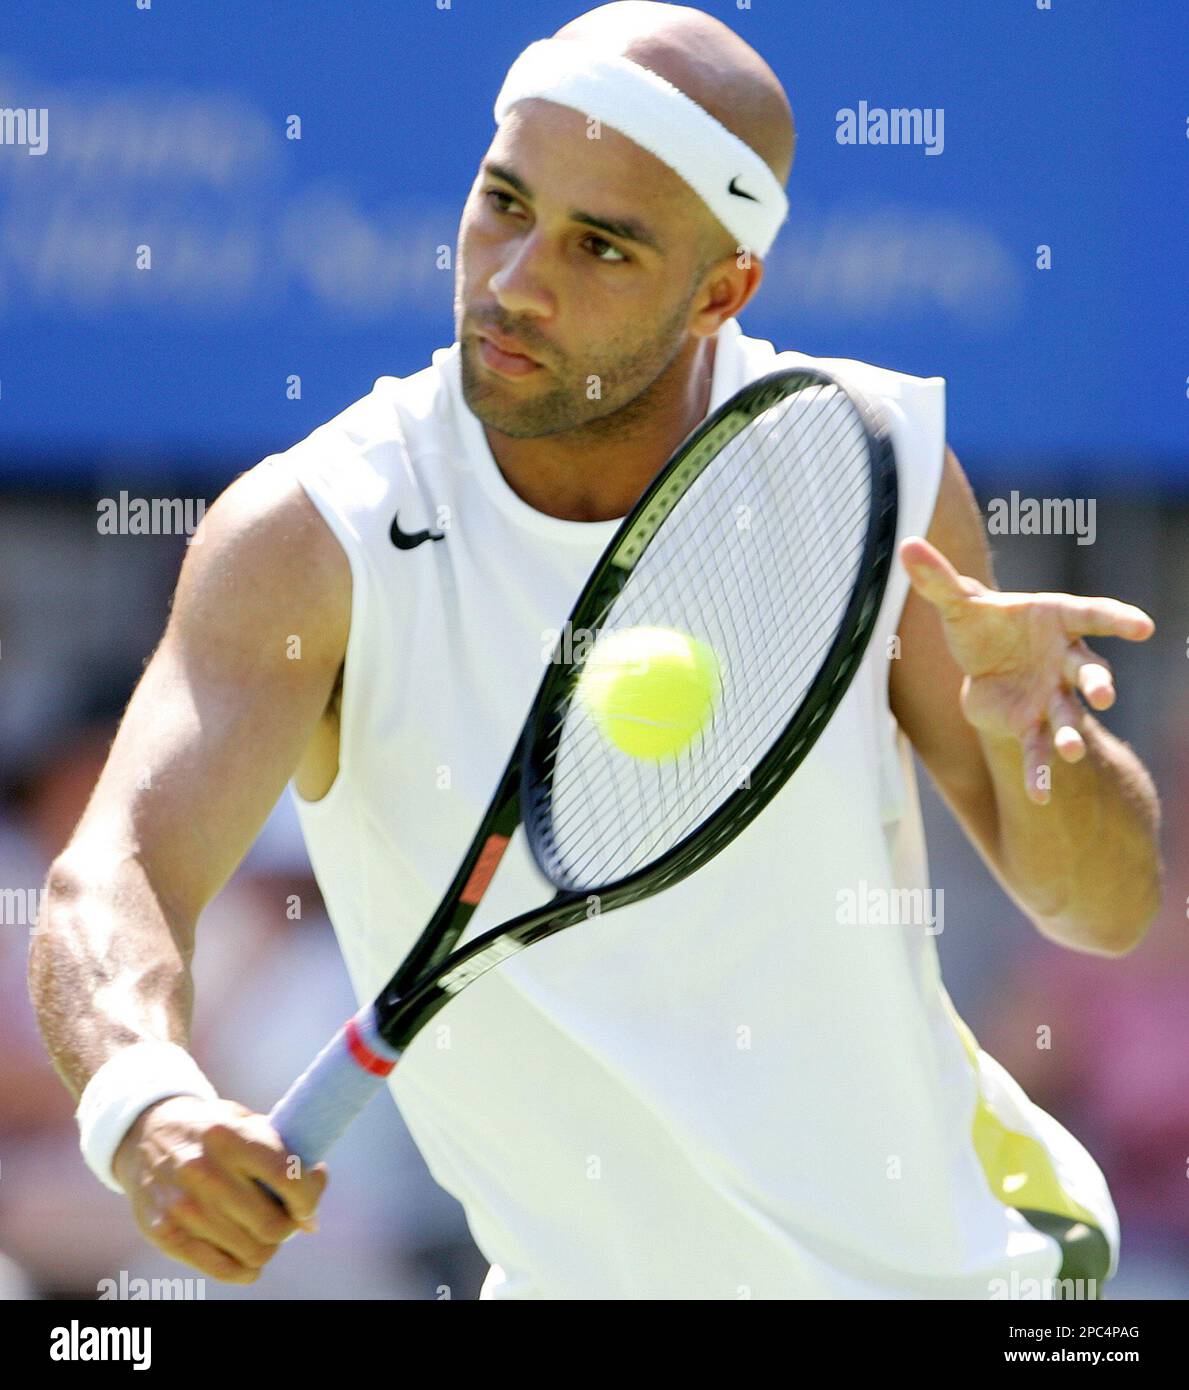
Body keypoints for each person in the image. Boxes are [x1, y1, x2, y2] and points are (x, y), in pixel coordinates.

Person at [31, 1, 1161, 1299]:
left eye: (600, 247)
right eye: (502, 203)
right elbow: (116, 865)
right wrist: (143, 1096)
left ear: (723, 287)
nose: (515, 280)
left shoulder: (866, 469)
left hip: (960, 1281)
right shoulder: (314, 533)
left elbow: (1106, 906)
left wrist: (1044, 743)